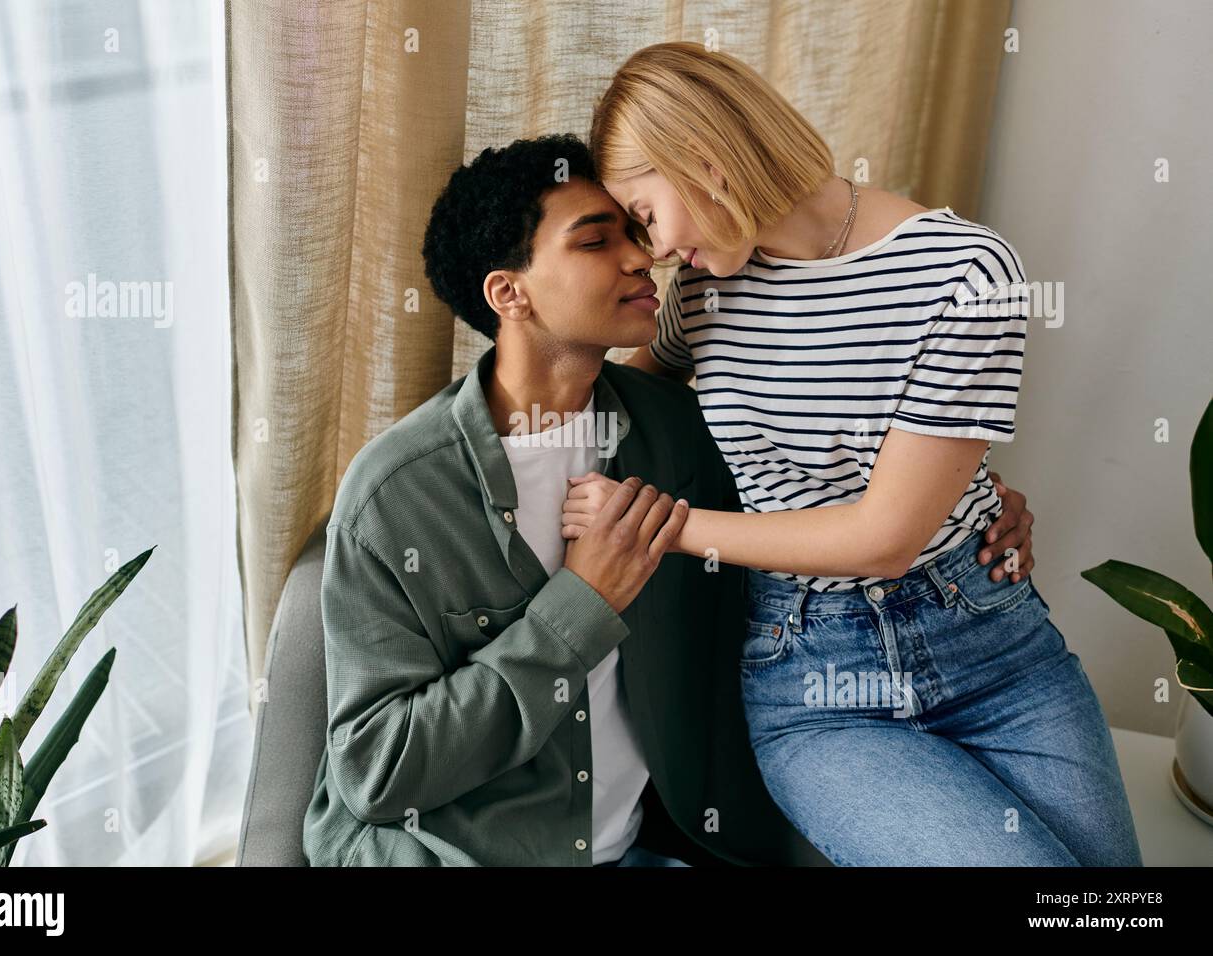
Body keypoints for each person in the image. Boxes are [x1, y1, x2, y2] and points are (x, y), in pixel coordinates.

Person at [301, 132, 1038, 866]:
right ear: (509, 293)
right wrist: (582, 603)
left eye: (635, 231)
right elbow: (375, 773)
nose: (640, 256)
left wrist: (968, 505)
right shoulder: (397, 497)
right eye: (595, 242)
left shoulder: (679, 435)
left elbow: (817, 520)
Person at [564, 41, 1142, 866]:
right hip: (817, 681)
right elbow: (625, 406)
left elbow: (885, 537)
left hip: (995, 652)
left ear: (703, 159)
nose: (652, 250)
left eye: (646, 216)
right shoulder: (700, 292)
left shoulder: (968, 272)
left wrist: (673, 526)